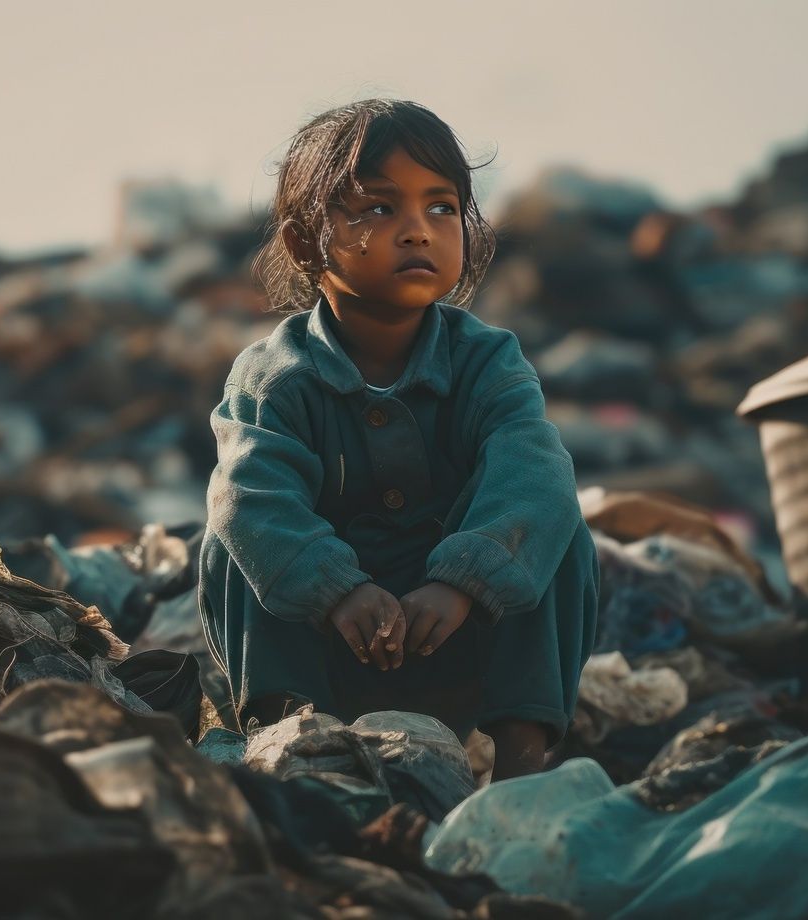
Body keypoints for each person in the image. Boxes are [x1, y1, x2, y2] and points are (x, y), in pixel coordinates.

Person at [197, 99, 597, 779]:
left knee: (556, 530)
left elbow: (533, 470)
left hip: (455, 633)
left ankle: (523, 759)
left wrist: (464, 580)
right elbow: (250, 496)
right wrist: (336, 590)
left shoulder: (488, 360)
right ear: (303, 243)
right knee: (232, 545)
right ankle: (290, 742)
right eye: (379, 209)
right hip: (335, 641)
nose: (418, 231)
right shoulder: (273, 377)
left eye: (442, 208)